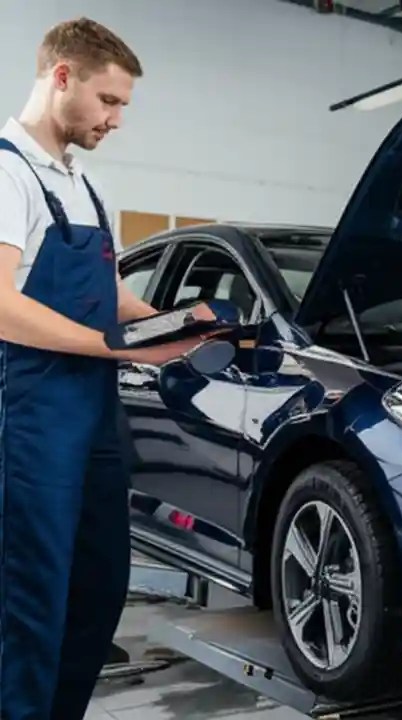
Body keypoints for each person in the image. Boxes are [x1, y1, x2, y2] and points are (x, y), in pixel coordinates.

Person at [0, 18, 210, 719]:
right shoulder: (7, 172)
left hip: (93, 420)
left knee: (97, 590)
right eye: (109, 101)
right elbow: (0, 305)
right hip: (28, 425)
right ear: (62, 76)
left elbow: (109, 294)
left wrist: (175, 325)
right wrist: (118, 348)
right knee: (30, 603)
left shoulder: (86, 186)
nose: (117, 120)